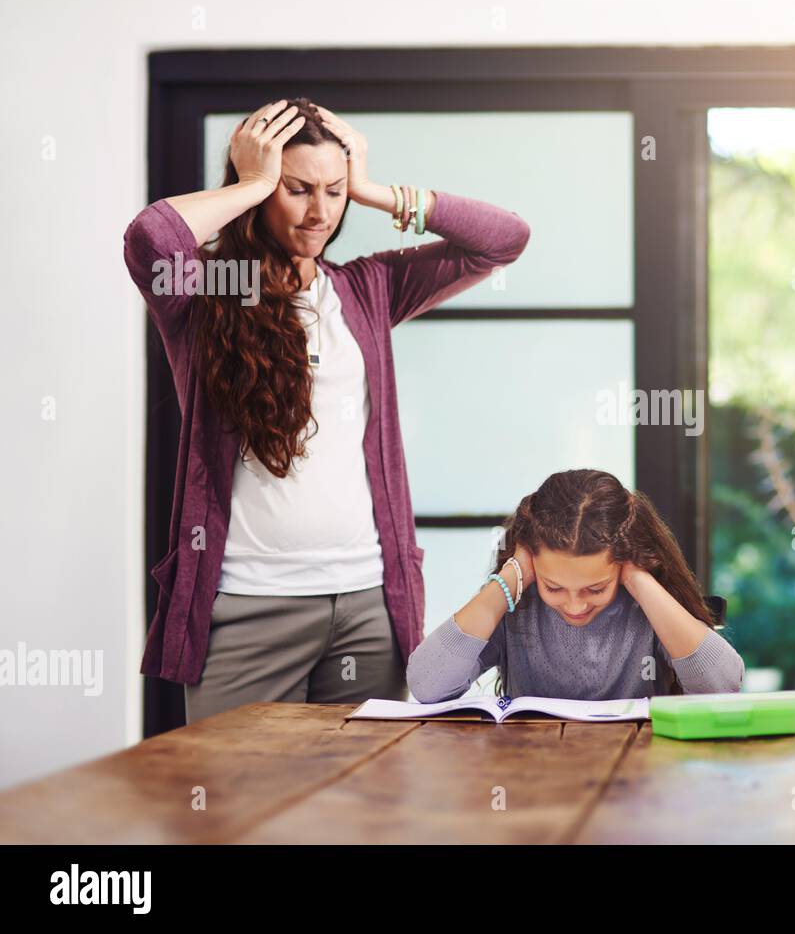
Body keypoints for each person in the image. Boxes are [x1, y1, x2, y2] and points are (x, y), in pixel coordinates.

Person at [122, 97, 530, 723]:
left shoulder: (366, 290)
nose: (320, 212)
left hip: (367, 605)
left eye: (333, 191)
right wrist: (252, 182)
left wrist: (374, 190)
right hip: (246, 606)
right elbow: (151, 238)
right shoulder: (203, 291)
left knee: (360, 810)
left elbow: (503, 239)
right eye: (296, 189)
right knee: (243, 813)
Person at [407, 469, 745, 703]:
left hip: (637, 772)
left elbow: (723, 687)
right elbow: (427, 685)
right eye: (554, 587)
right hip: (530, 774)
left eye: (595, 589)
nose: (575, 606)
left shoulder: (642, 604)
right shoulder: (517, 602)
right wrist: (512, 574)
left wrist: (638, 579)